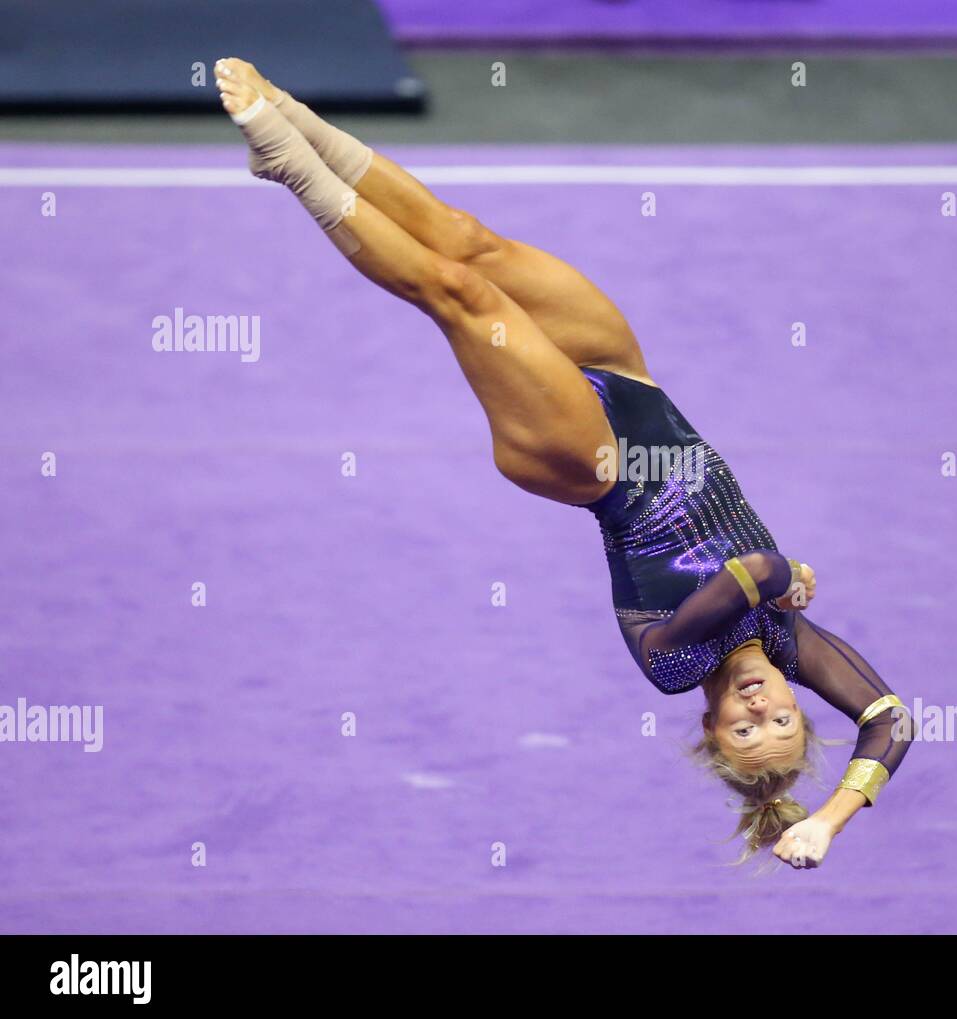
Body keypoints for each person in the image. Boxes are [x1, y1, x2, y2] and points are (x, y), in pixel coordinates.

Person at [215, 58, 912, 868]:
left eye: (744, 729)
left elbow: (746, 574)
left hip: (592, 463)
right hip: (635, 386)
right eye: (783, 722)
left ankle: (291, 168)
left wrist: (787, 571)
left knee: (458, 295)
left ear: (711, 724)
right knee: (467, 241)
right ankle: (300, 122)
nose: (762, 710)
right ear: (799, 706)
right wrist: (827, 820)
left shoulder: (676, 664)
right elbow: (891, 719)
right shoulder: (791, 644)